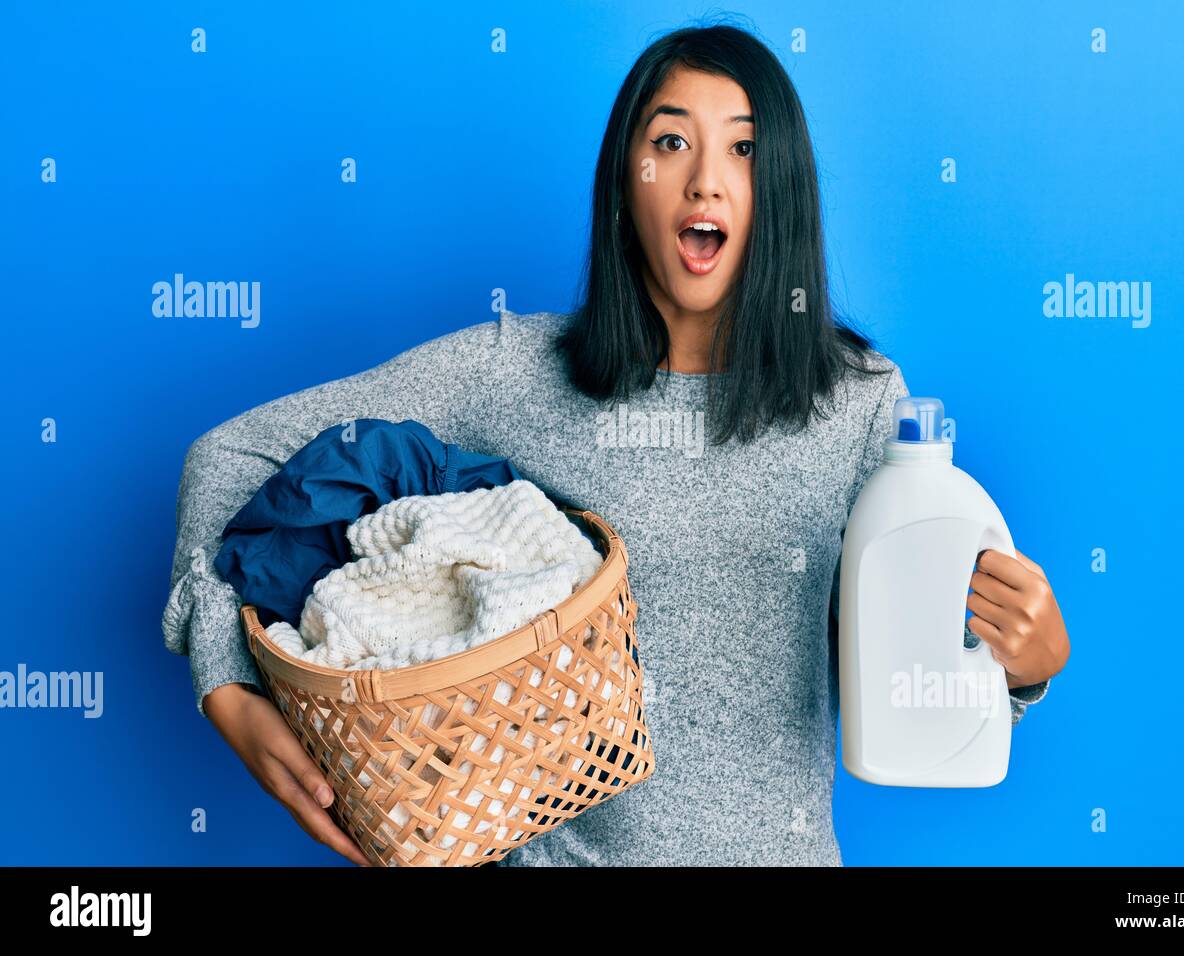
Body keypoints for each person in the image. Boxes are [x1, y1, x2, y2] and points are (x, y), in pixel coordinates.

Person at [162, 21, 1069, 868]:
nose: (705, 180)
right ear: (624, 179)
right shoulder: (513, 369)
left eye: (743, 149)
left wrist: (1023, 667)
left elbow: (909, 655)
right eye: (671, 142)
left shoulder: (862, 407)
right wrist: (227, 684)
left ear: (780, 185)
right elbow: (229, 455)